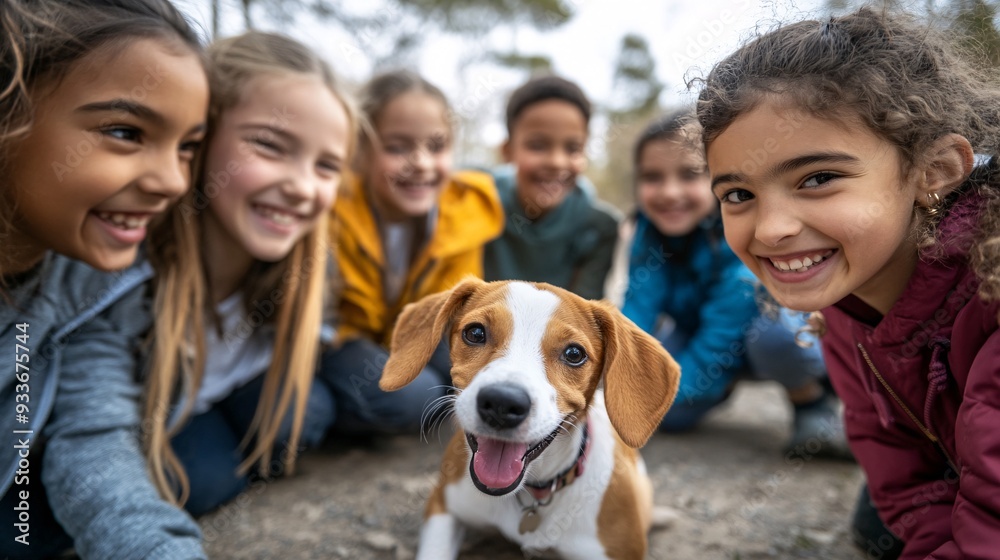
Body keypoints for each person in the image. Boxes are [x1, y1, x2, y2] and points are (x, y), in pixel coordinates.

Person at [699, 8, 1000, 559]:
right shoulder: (845, 307)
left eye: (818, 178)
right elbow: (904, 483)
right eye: (738, 194)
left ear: (933, 171)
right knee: (882, 527)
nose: (771, 229)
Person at [0, 0, 210, 557]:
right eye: (124, 131)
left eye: (187, 147)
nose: (172, 181)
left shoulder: (92, 286)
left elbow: (91, 441)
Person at [144, 31, 356, 517]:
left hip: (213, 397)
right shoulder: (132, 272)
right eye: (269, 145)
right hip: (139, 420)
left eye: (327, 166)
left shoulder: (307, 266)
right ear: (198, 138)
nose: (303, 187)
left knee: (298, 418)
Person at [611, 109, 849, 459]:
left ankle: (811, 401)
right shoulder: (647, 234)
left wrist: (651, 397)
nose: (669, 192)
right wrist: (615, 386)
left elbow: (719, 339)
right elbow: (636, 315)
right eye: (652, 177)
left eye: (690, 174)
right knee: (671, 414)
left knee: (777, 338)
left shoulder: (736, 234)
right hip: (702, 333)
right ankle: (724, 383)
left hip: (762, 335)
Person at [320, 70, 503, 435]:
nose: (420, 162)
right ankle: (331, 406)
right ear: (361, 150)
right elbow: (327, 322)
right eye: (398, 147)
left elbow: (455, 311)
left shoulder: (463, 210)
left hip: (416, 331)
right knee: (417, 398)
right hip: (340, 341)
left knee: (464, 371)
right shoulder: (334, 208)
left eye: (436, 147)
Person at [484, 75, 619, 300]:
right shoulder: (479, 205)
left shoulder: (599, 227)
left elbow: (585, 314)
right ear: (507, 151)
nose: (557, 162)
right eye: (537, 146)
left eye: (572, 148)